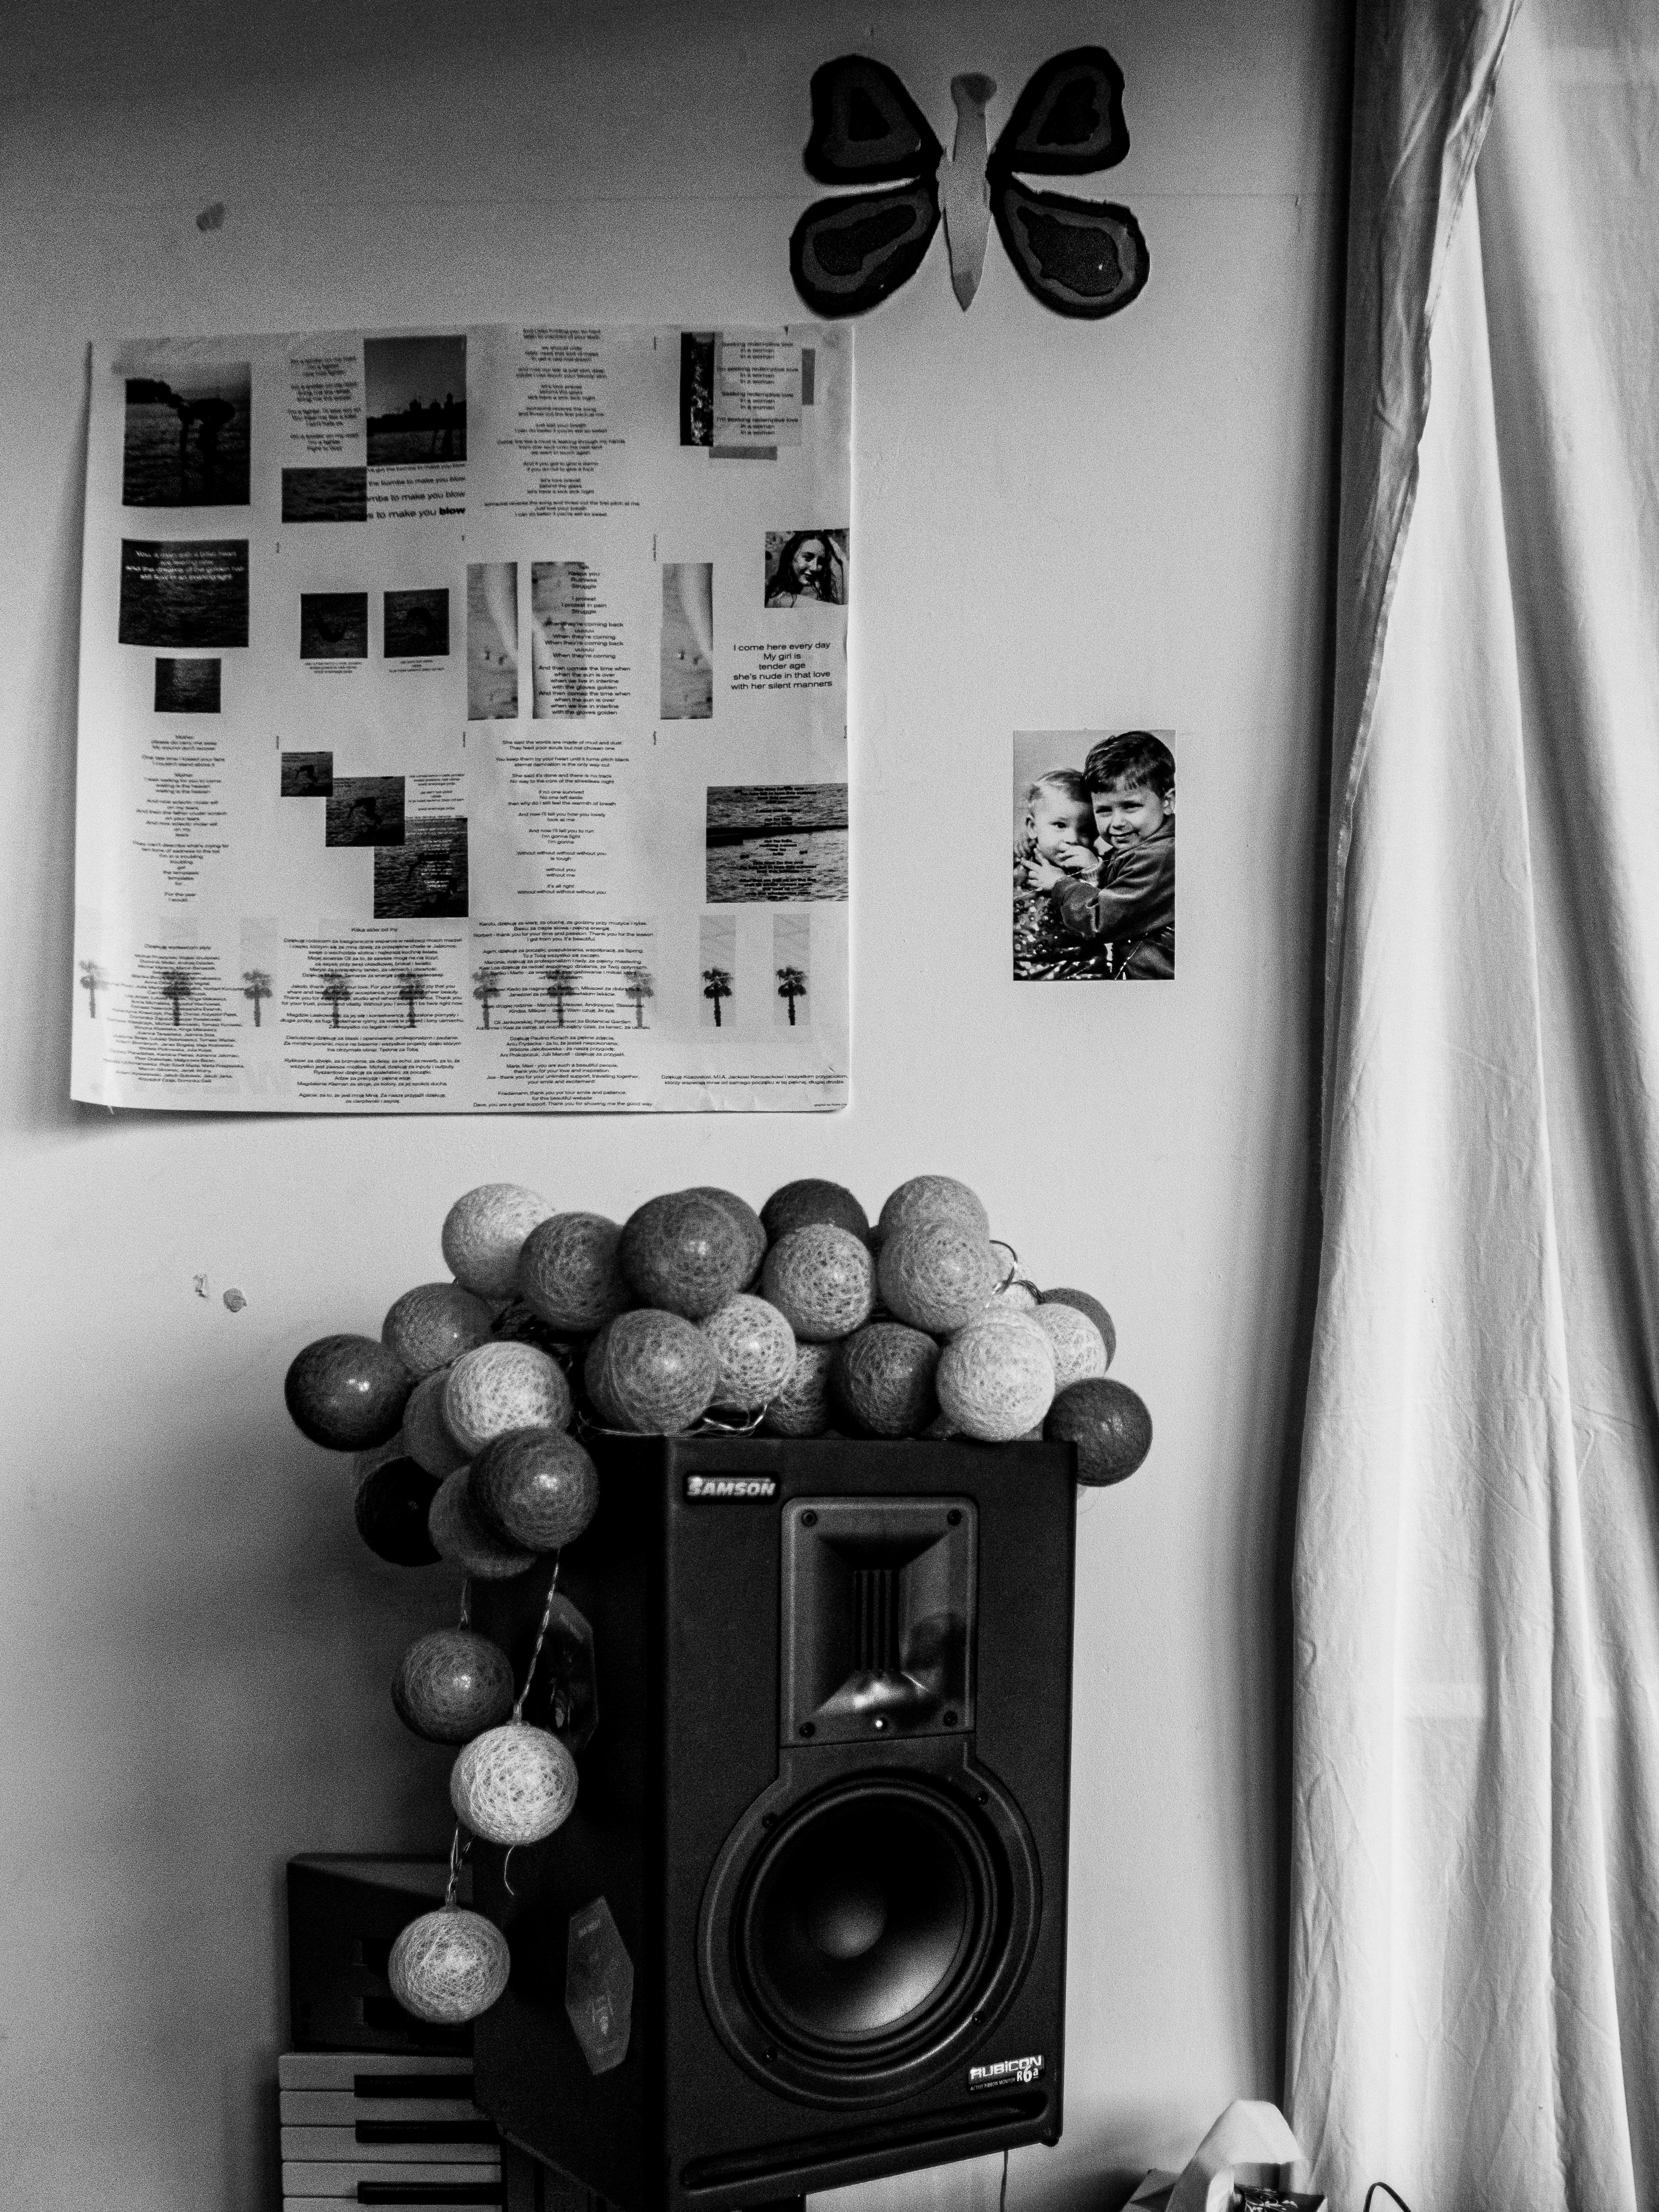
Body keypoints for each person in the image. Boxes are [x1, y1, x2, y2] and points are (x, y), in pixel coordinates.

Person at [1032, 731, 1175, 980]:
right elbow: (1114, 877)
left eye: (1131, 806)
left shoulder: (1161, 857)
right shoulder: (1141, 847)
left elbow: (1100, 920)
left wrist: (1059, 884)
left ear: (1167, 802)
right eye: (1104, 811)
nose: (1117, 823)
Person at [1013, 768, 1109, 980]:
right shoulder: (1020, 861)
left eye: (1085, 830)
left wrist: (1092, 874)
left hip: (1081, 974)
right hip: (1025, 975)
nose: (1073, 838)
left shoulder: (1090, 867)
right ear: (1032, 827)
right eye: (1060, 825)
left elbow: (1101, 916)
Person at [766, 531, 845, 606]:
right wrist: (843, 560)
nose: (815, 568)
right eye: (807, 558)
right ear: (790, 558)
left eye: (821, 562)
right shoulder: (783, 600)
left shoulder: (780, 593)